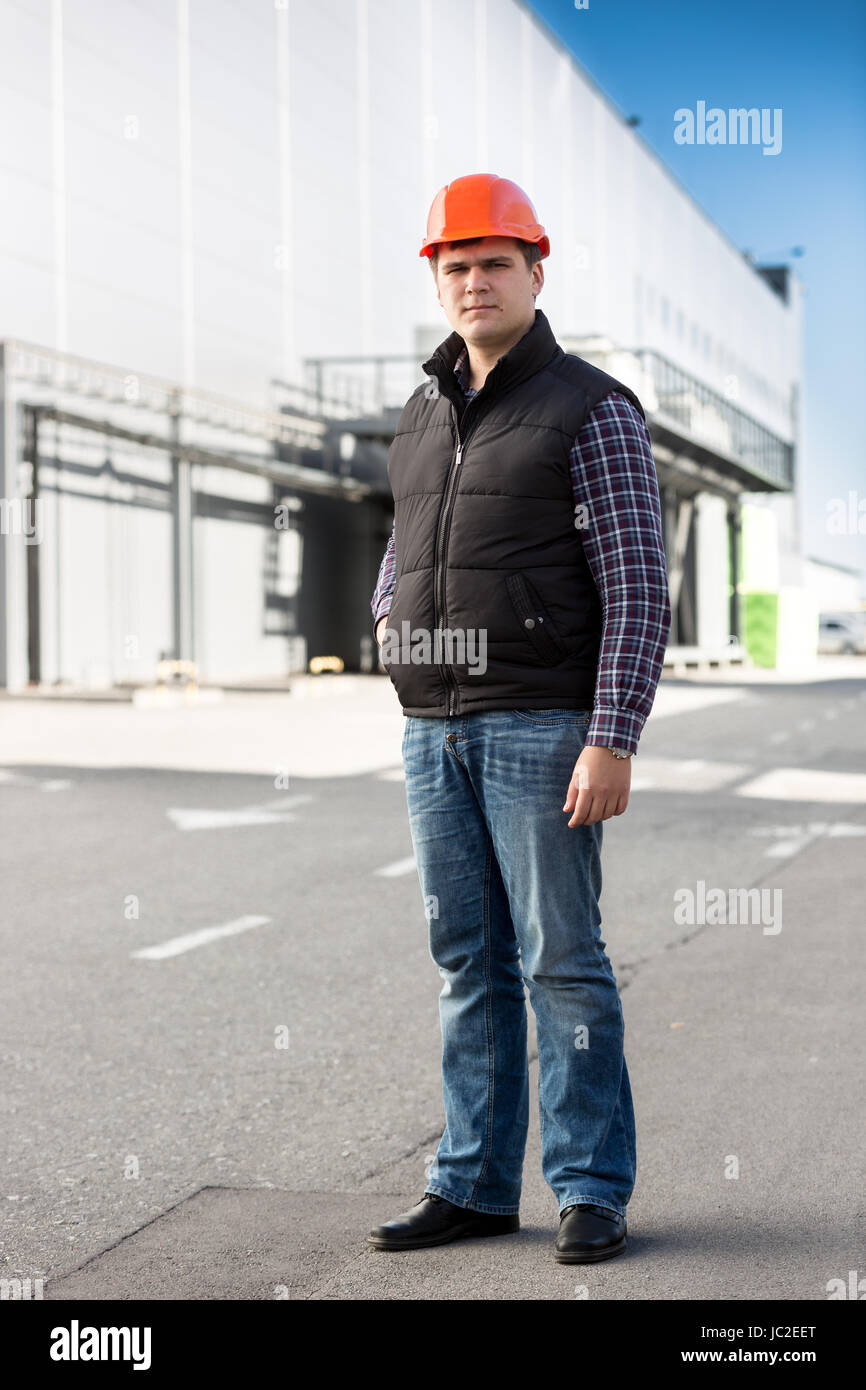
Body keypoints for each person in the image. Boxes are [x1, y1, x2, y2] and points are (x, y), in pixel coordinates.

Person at [366, 173, 671, 1263]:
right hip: (432, 724)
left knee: (561, 961)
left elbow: (636, 581)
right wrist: (389, 625)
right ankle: (473, 1183)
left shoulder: (590, 407)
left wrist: (612, 732)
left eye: (494, 262)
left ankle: (589, 1187)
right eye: (455, 265)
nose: (474, 280)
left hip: (541, 725)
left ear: (535, 271)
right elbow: (403, 549)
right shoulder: (421, 408)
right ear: (435, 280)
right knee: (465, 959)